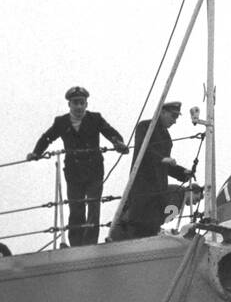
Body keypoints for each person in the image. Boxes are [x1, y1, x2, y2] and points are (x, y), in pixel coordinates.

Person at [27, 86, 128, 246]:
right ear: (69, 105)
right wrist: (36, 153)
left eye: (82, 103)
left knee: (93, 206)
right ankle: (76, 243)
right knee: (76, 208)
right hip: (73, 172)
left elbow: (109, 132)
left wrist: (117, 142)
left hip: (94, 169)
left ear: (86, 104)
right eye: (75, 103)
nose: (79, 106)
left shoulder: (95, 118)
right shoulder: (61, 122)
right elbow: (47, 138)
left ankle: (90, 242)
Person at [109, 100, 200, 241]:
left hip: (159, 189)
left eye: (177, 117)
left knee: (151, 225)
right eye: (173, 116)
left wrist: (182, 173)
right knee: (136, 223)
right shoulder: (145, 127)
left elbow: (166, 166)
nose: (174, 121)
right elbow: (142, 150)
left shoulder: (167, 139)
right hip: (142, 186)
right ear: (162, 112)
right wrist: (161, 159)